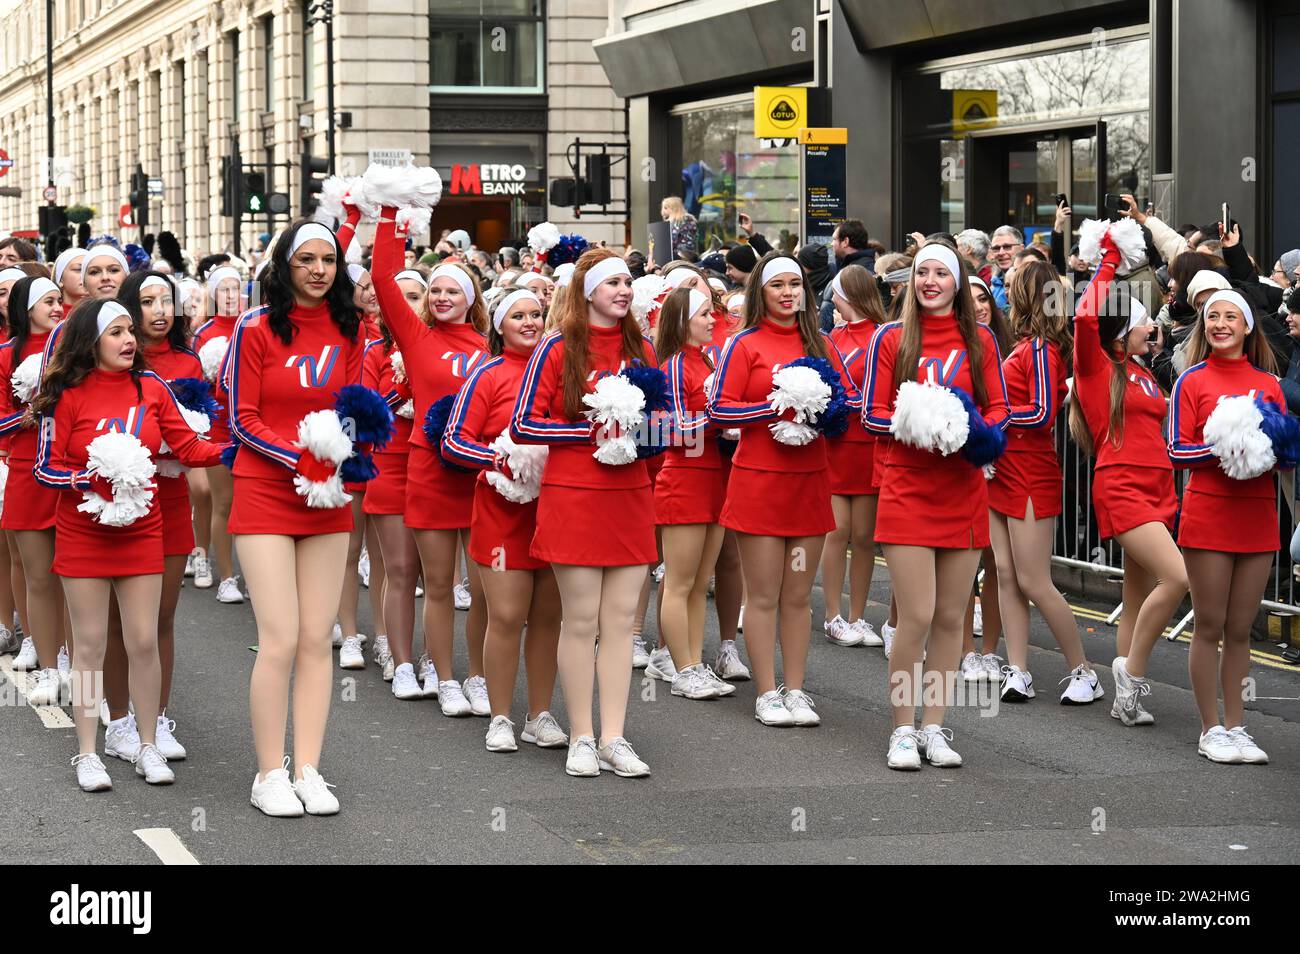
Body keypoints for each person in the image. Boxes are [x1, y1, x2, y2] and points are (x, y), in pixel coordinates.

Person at [32, 298, 222, 791]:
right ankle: (89, 752)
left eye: (129, 331)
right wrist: (89, 481)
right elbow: (45, 467)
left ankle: (148, 744)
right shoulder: (67, 394)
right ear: (90, 341)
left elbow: (188, 446)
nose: (128, 340)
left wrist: (242, 444)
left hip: (142, 530)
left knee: (142, 640)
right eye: (116, 332)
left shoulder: (151, 387)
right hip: (83, 532)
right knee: (91, 645)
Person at [225, 221, 372, 817]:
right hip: (266, 489)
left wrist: (348, 452)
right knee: (280, 637)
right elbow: (240, 418)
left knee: (319, 638)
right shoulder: (254, 327)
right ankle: (269, 773)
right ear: (283, 265)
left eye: (329, 260)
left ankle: (308, 767)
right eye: (306, 259)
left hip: (328, 495)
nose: (318, 270)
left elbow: (358, 409)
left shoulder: (352, 328)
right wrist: (300, 457)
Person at [510, 248, 658, 777]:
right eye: (613, 282)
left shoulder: (642, 348)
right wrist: (590, 431)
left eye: (627, 282)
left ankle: (615, 737)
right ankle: (581, 735)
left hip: (630, 495)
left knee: (620, 622)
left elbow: (662, 427)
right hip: (574, 495)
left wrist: (647, 435)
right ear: (588, 290)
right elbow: (525, 424)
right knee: (581, 620)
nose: (623, 290)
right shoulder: (556, 346)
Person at [862, 243, 1010, 769]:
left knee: (953, 617)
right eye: (921, 272)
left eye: (940, 273)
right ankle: (902, 730)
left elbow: (1000, 411)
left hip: (963, 491)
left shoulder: (982, 339)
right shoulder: (892, 337)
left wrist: (970, 429)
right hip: (907, 489)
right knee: (917, 615)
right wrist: (918, 419)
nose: (929, 281)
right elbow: (872, 413)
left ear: (957, 282)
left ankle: (934, 726)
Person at [710, 252, 861, 728]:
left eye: (795, 284)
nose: (788, 292)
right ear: (761, 292)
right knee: (764, 595)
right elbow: (720, 410)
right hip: (759, 483)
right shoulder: (744, 344)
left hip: (810, 484)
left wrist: (822, 410)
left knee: (798, 596)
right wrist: (774, 409)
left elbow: (850, 399)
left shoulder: (821, 343)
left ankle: (796, 689)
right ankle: (766, 691)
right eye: (777, 285)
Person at [370, 202, 490, 717]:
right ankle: (444, 678)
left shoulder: (490, 347)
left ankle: (480, 676)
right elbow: (381, 276)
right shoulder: (415, 339)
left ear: (470, 299)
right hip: (430, 469)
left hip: (481, 474)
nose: (441, 297)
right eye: (434, 289)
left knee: (484, 587)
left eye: (451, 290)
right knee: (437, 583)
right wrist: (391, 213)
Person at [1067, 226, 1187, 727]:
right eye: (1143, 324)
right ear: (1124, 330)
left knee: (1136, 596)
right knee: (1176, 578)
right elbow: (1084, 316)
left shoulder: (1141, 370)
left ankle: (1126, 700)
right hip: (1122, 486)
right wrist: (1109, 262)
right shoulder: (1098, 369)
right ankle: (1131, 671)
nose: (1151, 329)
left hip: (1159, 485)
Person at [441, 288, 567, 750]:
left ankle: (540, 714)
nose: (530, 322)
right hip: (500, 511)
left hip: (554, 508)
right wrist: (501, 461)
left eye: (537, 314)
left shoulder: (559, 369)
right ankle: (499, 716)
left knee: (549, 615)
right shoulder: (487, 373)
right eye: (519, 315)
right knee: (509, 614)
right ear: (499, 325)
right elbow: (454, 441)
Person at [1168, 289, 1280, 764]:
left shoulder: (1268, 383)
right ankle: (1210, 727)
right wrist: (1227, 448)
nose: (1220, 324)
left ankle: (1237, 726)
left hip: (1257, 515)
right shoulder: (1191, 380)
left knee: (1240, 628)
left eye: (1230, 316)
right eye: (1212, 316)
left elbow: (1280, 454)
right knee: (1209, 624)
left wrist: (1276, 449)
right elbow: (1176, 449)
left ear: (1247, 327)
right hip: (1210, 512)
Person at [986, 260, 1099, 704]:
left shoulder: (1038, 350)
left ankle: (1084, 671)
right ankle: (1018, 670)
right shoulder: (1028, 346)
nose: (1007, 293)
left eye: (1014, 287)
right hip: (1002, 467)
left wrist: (989, 422)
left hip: (1029, 469)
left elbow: (1040, 414)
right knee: (1005, 574)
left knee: (1033, 579)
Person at [652, 286, 733, 699]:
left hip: (714, 478)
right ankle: (682, 669)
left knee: (701, 582)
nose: (711, 320)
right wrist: (724, 421)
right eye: (703, 314)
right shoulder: (672, 366)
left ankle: (696, 664)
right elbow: (673, 429)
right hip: (683, 479)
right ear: (683, 320)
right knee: (679, 582)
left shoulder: (705, 360)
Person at [1, 276, 69, 705]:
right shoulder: (6, 355)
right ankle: (48, 663)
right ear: (27, 308)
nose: (59, 307)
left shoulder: (75, 350)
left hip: (69, 469)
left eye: (61, 300)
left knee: (76, 576)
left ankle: (78, 665)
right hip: (26, 469)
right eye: (49, 301)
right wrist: (30, 414)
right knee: (38, 575)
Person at [821, 265, 884, 648]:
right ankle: (833, 614)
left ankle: (859, 616)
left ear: (850, 296)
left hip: (870, 445)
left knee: (863, 537)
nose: (832, 302)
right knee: (836, 531)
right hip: (836, 444)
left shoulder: (885, 335)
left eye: (836, 295)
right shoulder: (830, 337)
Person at [192, 265, 245, 602]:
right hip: (218, 428)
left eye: (235, 289)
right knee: (222, 501)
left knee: (252, 506)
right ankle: (225, 576)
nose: (229, 296)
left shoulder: (251, 324)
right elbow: (196, 387)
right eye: (223, 289)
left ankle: (257, 574)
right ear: (212, 294)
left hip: (249, 428)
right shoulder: (204, 333)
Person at [987, 226, 1023, 310]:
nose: (1001, 252)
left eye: (1007, 247)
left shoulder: (1034, 281)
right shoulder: (993, 286)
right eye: (996, 248)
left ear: (1021, 249)